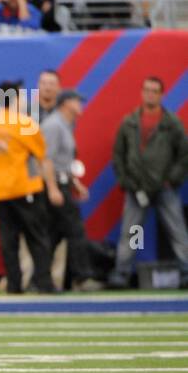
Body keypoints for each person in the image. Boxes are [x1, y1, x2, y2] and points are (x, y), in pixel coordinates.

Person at [108, 77, 188, 288]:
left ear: (162, 94)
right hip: (137, 188)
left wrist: (172, 179)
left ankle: (185, 270)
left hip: (165, 188)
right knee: (132, 233)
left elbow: (183, 155)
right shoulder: (130, 122)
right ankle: (123, 273)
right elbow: (118, 154)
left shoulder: (171, 123)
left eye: (155, 91)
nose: (150, 94)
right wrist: (127, 182)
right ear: (142, 93)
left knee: (177, 231)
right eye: (147, 90)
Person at [0, 81, 63, 293]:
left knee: (8, 240)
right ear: (16, 98)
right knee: (37, 238)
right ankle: (44, 282)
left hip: (0, 190)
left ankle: (14, 284)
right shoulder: (25, 124)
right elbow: (42, 158)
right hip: (24, 187)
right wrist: (53, 188)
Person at [40, 89, 103, 291]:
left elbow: (63, 161)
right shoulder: (54, 125)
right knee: (75, 230)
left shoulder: (67, 124)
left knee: (54, 234)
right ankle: (82, 277)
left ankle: (40, 278)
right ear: (66, 103)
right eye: (77, 101)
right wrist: (52, 188)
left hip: (63, 183)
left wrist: (75, 183)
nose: (81, 105)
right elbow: (46, 160)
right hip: (54, 184)